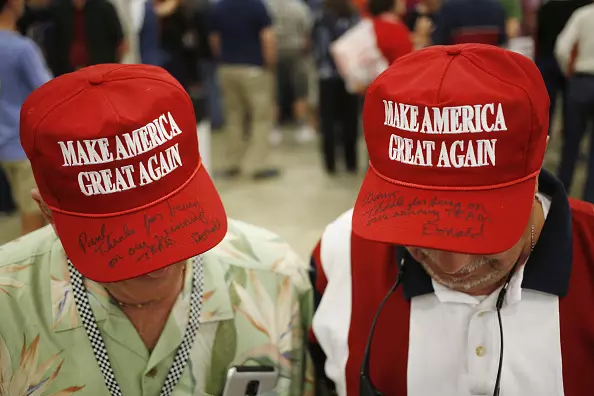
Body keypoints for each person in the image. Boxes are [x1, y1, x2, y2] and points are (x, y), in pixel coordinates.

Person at [0, 64, 313, 396]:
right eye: (117, 239)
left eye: (176, 220)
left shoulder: (276, 275)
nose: (160, 263)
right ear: (48, 212)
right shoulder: (10, 305)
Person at [309, 44, 594, 396]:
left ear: (536, 167)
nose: (452, 264)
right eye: (418, 231)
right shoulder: (341, 255)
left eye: (482, 233)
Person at [209, 0, 279, 180]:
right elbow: (267, 37)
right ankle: (257, 165)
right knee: (261, 117)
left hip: (227, 68)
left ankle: (232, 163)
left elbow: (214, 40)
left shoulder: (220, 6)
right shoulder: (257, 6)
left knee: (233, 117)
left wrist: (223, 59)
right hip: (253, 68)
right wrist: (270, 65)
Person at [0, 0, 50, 234]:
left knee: (25, 207)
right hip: (25, 146)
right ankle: (29, 270)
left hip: (4, 145)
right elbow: (48, 91)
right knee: (34, 218)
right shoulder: (21, 48)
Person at [311, 0, 360, 175]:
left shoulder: (322, 18)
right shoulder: (354, 18)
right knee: (351, 120)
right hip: (351, 76)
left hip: (327, 75)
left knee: (329, 121)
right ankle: (351, 162)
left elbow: (320, 49)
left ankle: (330, 164)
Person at [555, 1, 594, 203]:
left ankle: (561, 196)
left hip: (581, 82)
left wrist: (569, 74)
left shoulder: (583, 14)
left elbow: (562, 48)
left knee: (570, 145)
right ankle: (590, 204)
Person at [534, 0, 590, 135]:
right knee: (570, 109)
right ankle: (567, 136)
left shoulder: (546, 7)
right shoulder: (580, 8)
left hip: (547, 59)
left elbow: (538, 35)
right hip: (570, 61)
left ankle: (543, 137)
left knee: (546, 106)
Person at [432, 0, 507, 46]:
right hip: (488, 65)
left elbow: (439, 41)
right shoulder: (497, 7)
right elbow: (502, 41)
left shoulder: (448, 7)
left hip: (458, 65)